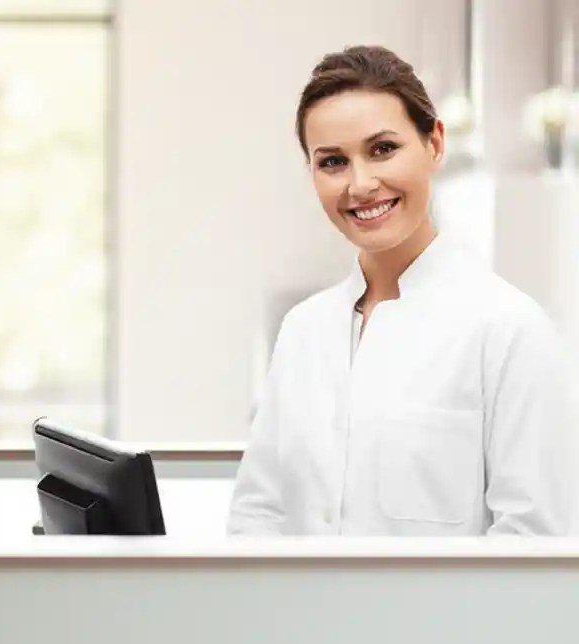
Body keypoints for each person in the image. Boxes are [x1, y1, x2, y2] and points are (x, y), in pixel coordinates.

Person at [227, 45, 576, 536]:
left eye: (382, 149)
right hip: (300, 613)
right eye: (332, 162)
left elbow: (534, 544)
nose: (361, 184)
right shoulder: (303, 330)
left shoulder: (509, 331)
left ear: (434, 143)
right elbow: (258, 515)